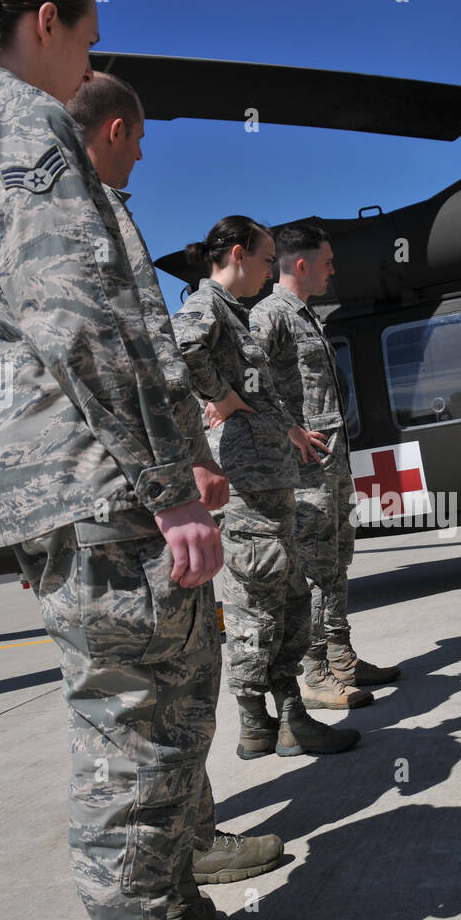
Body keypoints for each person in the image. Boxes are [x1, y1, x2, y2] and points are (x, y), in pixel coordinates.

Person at [0, 0, 279, 920]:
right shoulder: (17, 120)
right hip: (94, 480)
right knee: (134, 727)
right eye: (85, 39)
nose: (85, 65)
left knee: (144, 707)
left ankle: (174, 916)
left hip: (45, 477)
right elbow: (74, 321)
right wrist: (168, 486)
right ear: (45, 22)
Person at [66, 70, 287, 886]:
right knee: (149, 709)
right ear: (117, 130)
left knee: (169, 700)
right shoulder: (70, 207)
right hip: (118, 498)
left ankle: (188, 853)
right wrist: (178, 480)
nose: (144, 155)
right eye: (142, 138)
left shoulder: (76, 207)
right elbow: (116, 358)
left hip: (114, 491)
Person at [173, 218, 361, 754]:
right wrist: (221, 396)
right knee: (255, 602)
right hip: (249, 486)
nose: (267, 272)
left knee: (290, 597)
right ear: (238, 254)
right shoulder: (206, 308)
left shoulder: (236, 315)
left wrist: (289, 428)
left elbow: (258, 388)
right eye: (263, 259)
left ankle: (291, 716)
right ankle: (257, 720)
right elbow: (181, 352)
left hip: (276, 479)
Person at [249, 223, 400, 702]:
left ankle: (340, 656)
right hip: (303, 471)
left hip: (330, 465)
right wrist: (287, 430)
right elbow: (246, 382)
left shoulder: (307, 317)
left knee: (336, 563)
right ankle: (313, 673)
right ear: (301, 265)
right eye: (327, 261)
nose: (333, 269)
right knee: (313, 569)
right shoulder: (271, 315)